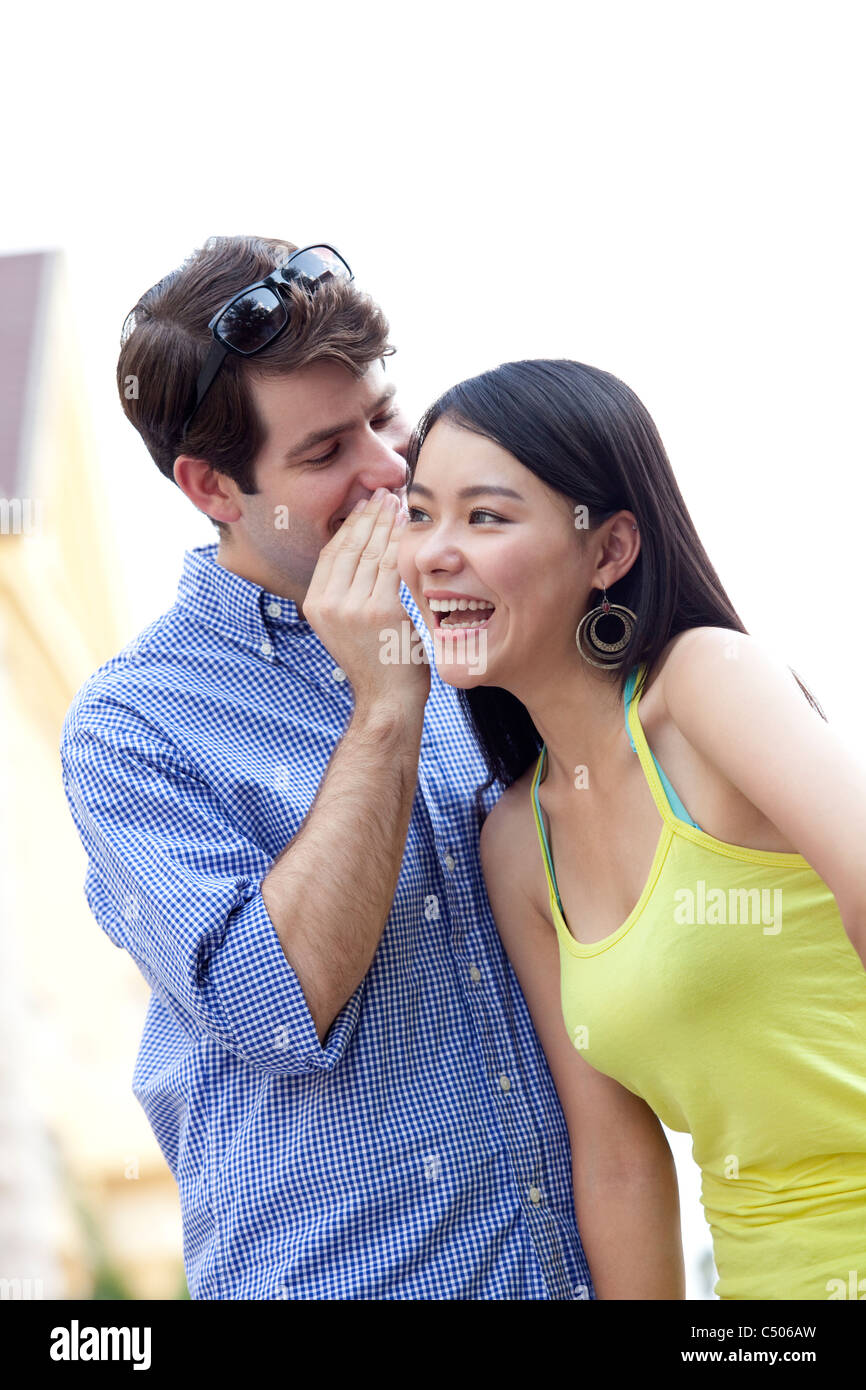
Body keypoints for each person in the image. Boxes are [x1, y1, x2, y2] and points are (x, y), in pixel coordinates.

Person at [59, 238, 594, 1301]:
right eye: (323, 453)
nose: (389, 472)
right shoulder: (131, 728)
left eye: (379, 418)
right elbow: (273, 1007)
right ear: (212, 487)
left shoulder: (477, 629)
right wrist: (385, 707)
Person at [397, 357, 866, 1301]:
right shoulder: (516, 844)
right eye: (418, 513)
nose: (435, 552)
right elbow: (616, 1162)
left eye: (486, 516)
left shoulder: (704, 687)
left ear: (608, 551)